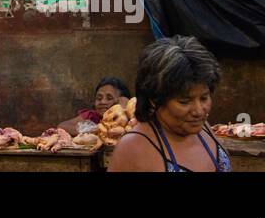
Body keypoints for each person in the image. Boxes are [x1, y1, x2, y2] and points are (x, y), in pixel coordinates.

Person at [108, 36, 230, 173]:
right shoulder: (133, 148)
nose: (199, 111)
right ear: (155, 99)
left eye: (204, 98)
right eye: (184, 101)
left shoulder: (203, 129)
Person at [59, 76, 130, 134]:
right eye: (99, 98)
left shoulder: (130, 120)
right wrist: (90, 130)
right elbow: (62, 126)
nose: (102, 102)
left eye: (109, 98)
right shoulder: (92, 116)